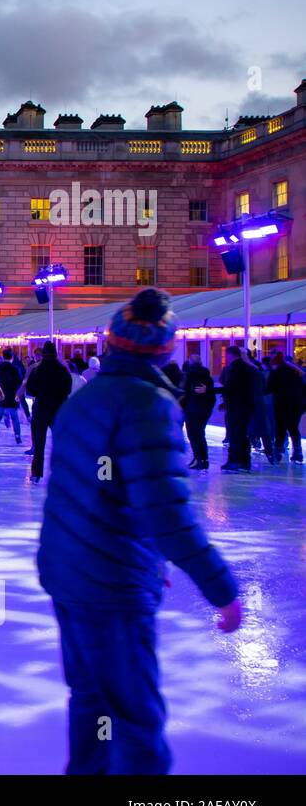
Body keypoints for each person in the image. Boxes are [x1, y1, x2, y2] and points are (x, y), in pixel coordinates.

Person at [38, 288, 241, 774]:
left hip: (69, 571)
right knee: (135, 719)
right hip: (110, 585)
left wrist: (149, 558)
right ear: (166, 349)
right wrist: (223, 590)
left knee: (93, 703)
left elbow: (89, 494)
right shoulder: (147, 405)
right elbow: (165, 511)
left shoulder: (85, 398)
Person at [24, 341, 73, 483]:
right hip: (58, 409)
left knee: (39, 443)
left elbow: (30, 390)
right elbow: (68, 389)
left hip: (41, 409)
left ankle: (36, 473)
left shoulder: (37, 370)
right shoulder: (63, 370)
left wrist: (42, 393)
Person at [219, 345, 257, 473]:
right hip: (247, 406)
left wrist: (210, 391)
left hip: (237, 406)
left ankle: (234, 461)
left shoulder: (235, 368)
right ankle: (245, 462)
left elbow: (230, 387)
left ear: (230, 355)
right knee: (243, 435)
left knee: (235, 434)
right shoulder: (249, 368)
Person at [266, 349, 305, 463]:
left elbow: (269, 388)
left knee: (281, 427)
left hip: (282, 404)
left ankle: (278, 451)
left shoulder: (277, 371)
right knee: (293, 427)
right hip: (297, 405)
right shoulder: (296, 371)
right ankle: (298, 452)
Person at [179, 354, 216, 470]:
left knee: (193, 434)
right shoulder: (207, 376)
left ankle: (199, 459)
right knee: (200, 433)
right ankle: (203, 459)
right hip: (205, 409)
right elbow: (211, 394)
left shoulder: (189, 375)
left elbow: (184, 392)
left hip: (192, 408)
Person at [0, 347, 24, 445]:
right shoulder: (15, 369)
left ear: (3, 356)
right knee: (14, 417)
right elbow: (20, 382)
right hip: (12, 396)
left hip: (1, 396)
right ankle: (17, 436)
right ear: (11, 357)